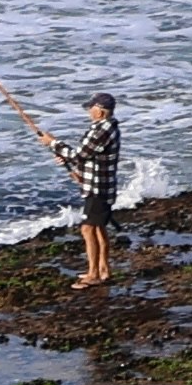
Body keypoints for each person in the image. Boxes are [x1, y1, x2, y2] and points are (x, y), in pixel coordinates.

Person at [58, 91, 128, 287]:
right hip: (99, 186)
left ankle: (93, 274)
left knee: (88, 228)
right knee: (98, 228)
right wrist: (76, 168)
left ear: (101, 111)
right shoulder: (107, 127)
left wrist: (54, 144)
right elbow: (92, 158)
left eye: (92, 107)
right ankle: (103, 269)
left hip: (98, 189)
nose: (89, 110)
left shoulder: (102, 130)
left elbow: (80, 154)